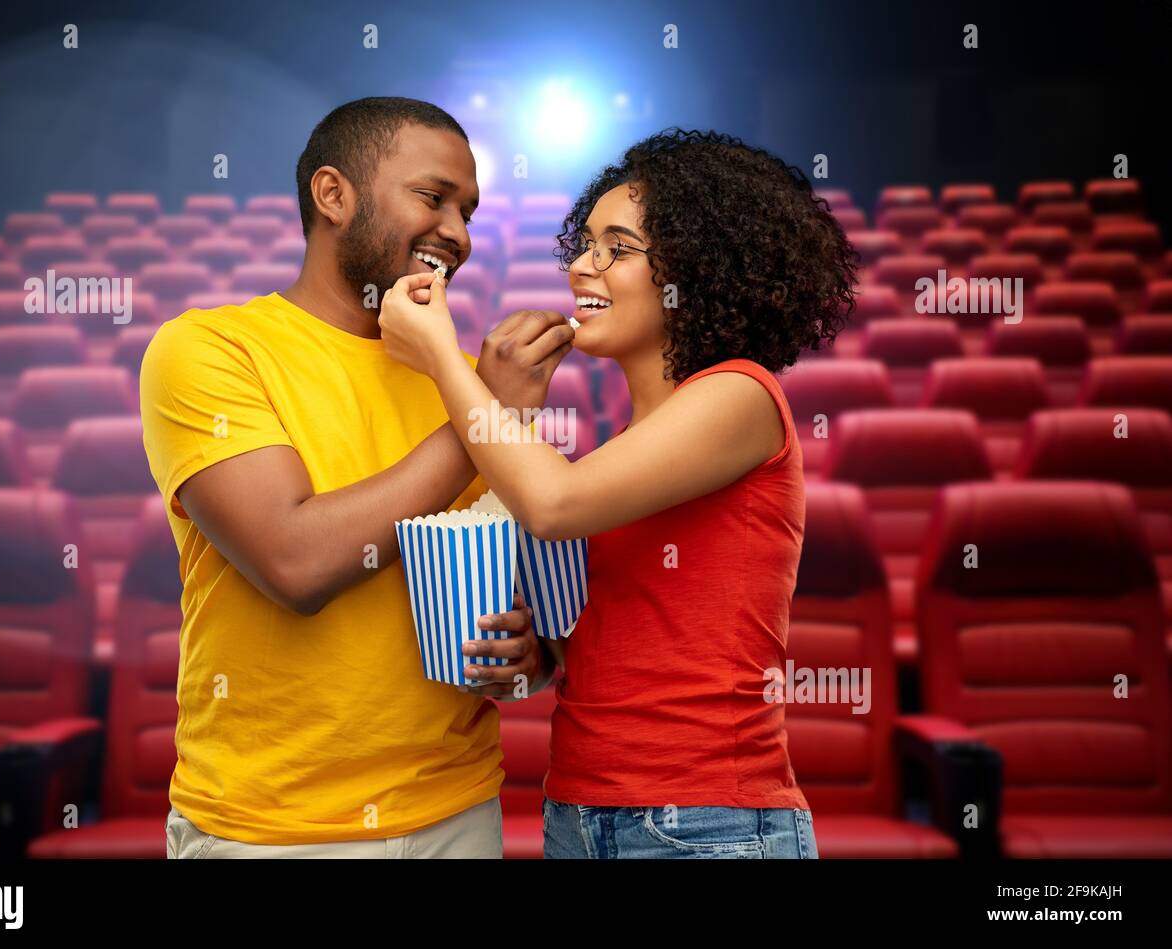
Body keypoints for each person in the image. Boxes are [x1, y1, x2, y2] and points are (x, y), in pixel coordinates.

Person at [378, 128, 858, 858]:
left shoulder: (741, 395)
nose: (580, 266)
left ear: (694, 272)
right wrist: (535, 658)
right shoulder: (622, 451)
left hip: (704, 823)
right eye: (585, 245)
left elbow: (553, 504)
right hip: (579, 811)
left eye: (616, 248)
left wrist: (444, 356)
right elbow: (610, 640)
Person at [140, 97, 573, 858]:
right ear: (333, 195)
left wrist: (530, 656)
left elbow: (536, 613)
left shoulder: (466, 388)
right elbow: (294, 562)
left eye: (469, 212)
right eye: (433, 197)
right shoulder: (208, 349)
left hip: (460, 810)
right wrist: (485, 418)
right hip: (273, 831)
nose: (460, 234)